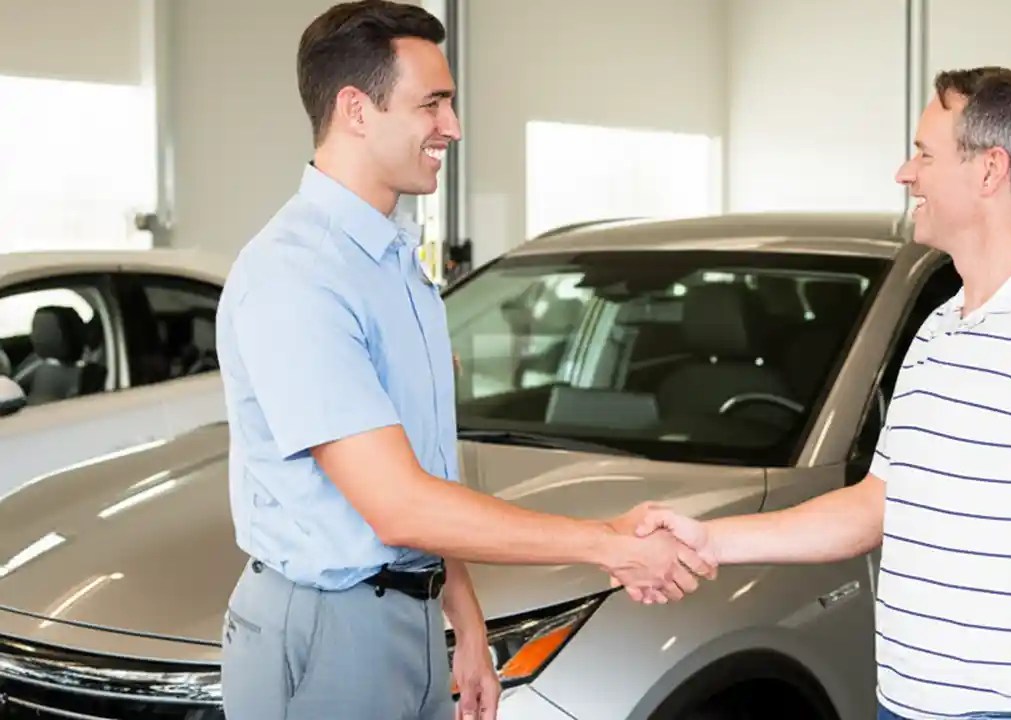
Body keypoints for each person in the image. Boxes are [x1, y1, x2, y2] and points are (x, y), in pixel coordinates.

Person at [214, 3, 714, 719]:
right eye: (433, 104)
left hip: (411, 615)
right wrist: (608, 545)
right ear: (356, 110)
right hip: (329, 629)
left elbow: (428, 472)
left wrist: (465, 621)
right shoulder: (297, 277)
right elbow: (398, 504)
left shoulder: (395, 267)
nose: (452, 127)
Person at [629, 67, 1011, 720]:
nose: (906, 175)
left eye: (924, 153)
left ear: (990, 170)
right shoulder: (941, 327)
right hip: (905, 706)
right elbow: (877, 505)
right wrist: (710, 542)